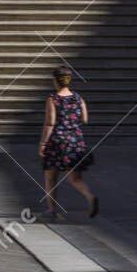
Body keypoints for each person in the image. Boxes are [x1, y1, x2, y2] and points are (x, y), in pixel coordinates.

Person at [38, 66, 98, 219]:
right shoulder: (78, 98)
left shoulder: (53, 98)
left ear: (55, 80)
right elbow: (84, 119)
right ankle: (90, 197)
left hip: (57, 142)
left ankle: (52, 210)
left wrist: (43, 143)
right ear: (68, 80)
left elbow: (50, 123)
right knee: (75, 178)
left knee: (50, 177)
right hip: (76, 142)